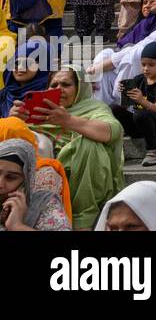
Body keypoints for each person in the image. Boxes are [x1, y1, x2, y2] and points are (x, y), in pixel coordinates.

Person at [12, 64, 123, 229]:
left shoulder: (94, 108)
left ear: (80, 88)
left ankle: (83, 220)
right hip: (40, 174)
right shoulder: (36, 111)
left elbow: (112, 131)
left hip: (81, 170)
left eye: (66, 84)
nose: (59, 89)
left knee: (90, 144)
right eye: (54, 85)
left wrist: (68, 121)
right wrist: (14, 121)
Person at [108, 40, 156, 168]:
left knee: (142, 114)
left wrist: (141, 100)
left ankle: (153, 151)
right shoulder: (139, 79)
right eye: (143, 64)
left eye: (151, 65)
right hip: (140, 123)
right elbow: (126, 107)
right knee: (114, 108)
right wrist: (125, 94)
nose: (146, 68)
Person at [0, 135, 71, 231]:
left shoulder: (43, 204)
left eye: (11, 178)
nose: (0, 183)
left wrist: (18, 226)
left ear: (25, 182)